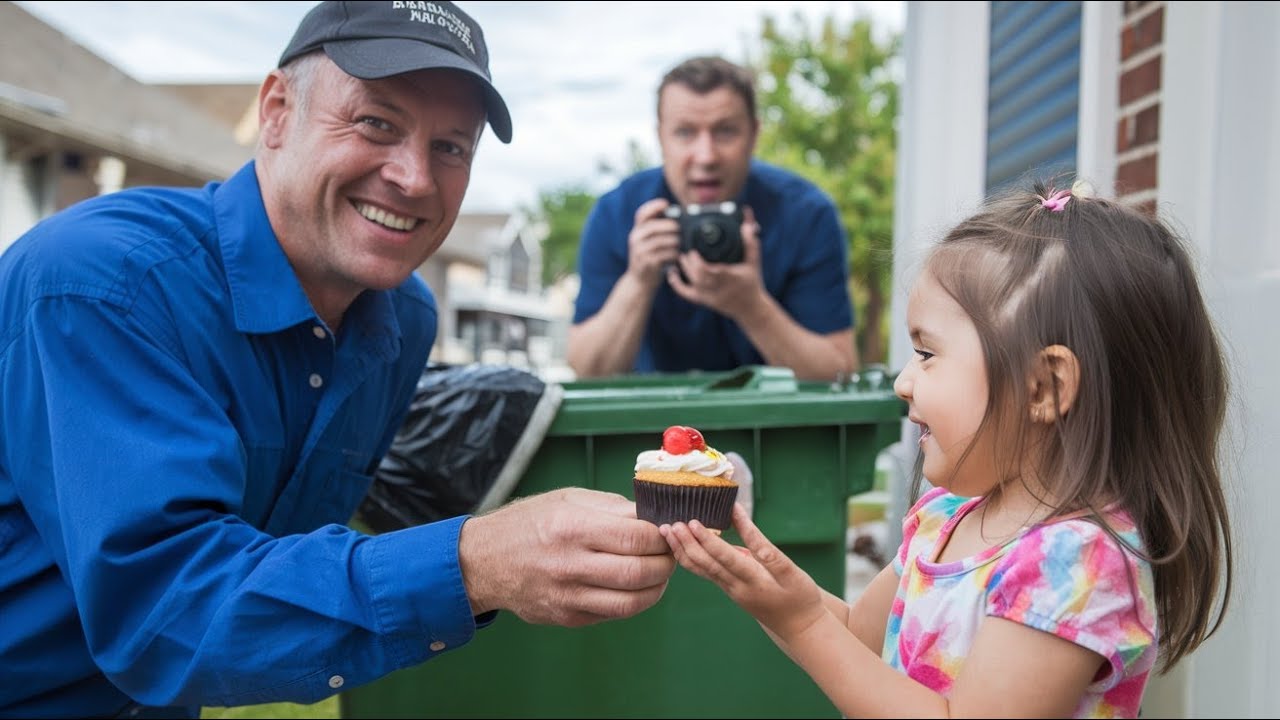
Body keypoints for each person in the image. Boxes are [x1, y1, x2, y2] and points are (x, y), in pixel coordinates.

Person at [0, 2, 674, 717]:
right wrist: (474, 563)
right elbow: (167, 616)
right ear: (277, 111)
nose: (415, 177)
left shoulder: (401, 319)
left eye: (451, 146)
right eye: (376, 123)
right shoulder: (103, 285)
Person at [660, 182, 1234, 718]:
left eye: (927, 354)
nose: (902, 381)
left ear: (1045, 387)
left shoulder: (1075, 564)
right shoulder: (944, 516)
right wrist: (776, 597)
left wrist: (804, 621)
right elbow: (858, 636)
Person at [567, 55, 858, 382]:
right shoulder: (617, 214)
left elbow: (837, 371)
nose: (705, 157)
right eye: (685, 133)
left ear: (754, 134)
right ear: (661, 137)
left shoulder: (806, 214)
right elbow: (587, 369)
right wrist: (638, 280)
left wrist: (751, 306)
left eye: (725, 132)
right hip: (654, 424)